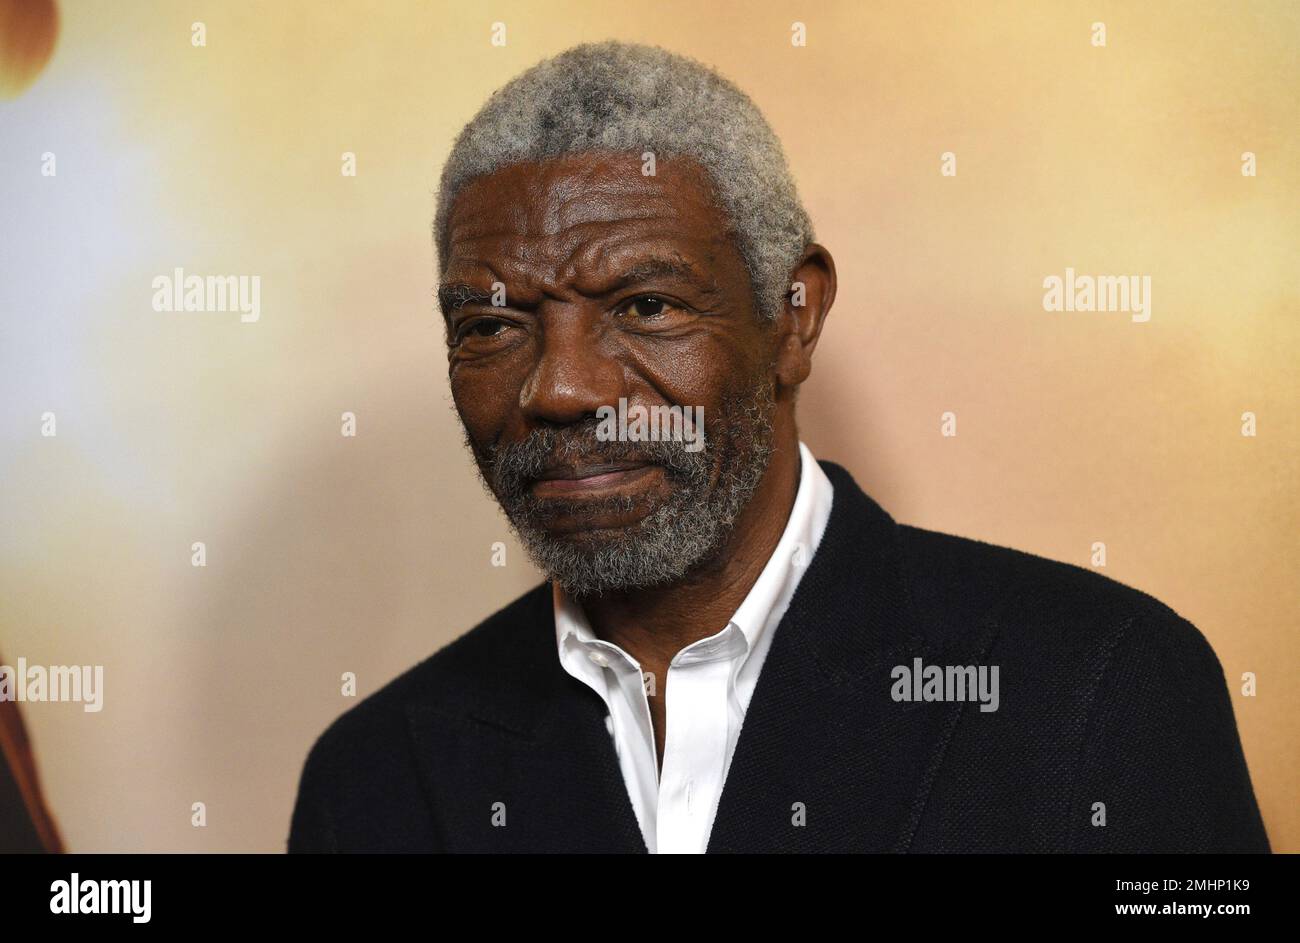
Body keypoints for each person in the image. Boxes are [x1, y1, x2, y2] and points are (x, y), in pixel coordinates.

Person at [289, 40, 1269, 854]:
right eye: (493, 326)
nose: (563, 388)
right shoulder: (374, 781)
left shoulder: (1100, 689)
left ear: (792, 317)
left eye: (644, 305)